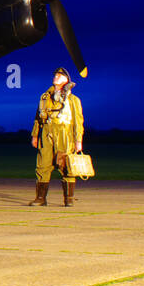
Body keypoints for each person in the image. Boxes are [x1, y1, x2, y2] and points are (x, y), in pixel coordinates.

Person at [30, 67, 85, 207]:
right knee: (43, 164)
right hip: (46, 132)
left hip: (64, 133)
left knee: (66, 165)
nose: (56, 77)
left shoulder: (74, 100)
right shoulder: (44, 97)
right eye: (55, 75)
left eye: (59, 76)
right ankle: (41, 198)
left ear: (66, 80)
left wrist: (78, 140)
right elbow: (37, 118)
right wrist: (35, 135)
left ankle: (69, 199)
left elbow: (78, 121)